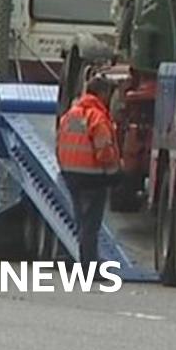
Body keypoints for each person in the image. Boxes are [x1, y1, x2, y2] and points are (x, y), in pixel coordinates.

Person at [57, 75, 121, 264]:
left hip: (71, 174)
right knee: (91, 224)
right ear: (101, 94)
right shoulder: (97, 117)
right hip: (93, 177)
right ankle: (89, 265)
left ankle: (85, 261)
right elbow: (104, 151)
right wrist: (116, 172)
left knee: (81, 222)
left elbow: (59, 142)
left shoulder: (71, 115)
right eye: (109, 93)